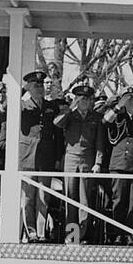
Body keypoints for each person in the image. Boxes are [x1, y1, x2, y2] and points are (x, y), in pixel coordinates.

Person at [96, 86, 133, 245]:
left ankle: (130, 235)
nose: (131, 101)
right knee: (119, 201)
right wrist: (118, 106)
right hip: (118, 165)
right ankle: (117, 234)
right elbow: (104, 121)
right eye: (128, 98)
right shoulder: (117, 117)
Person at [53, 81, 101, 243]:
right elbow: (57, 123)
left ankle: (83, 234)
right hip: (70, 158)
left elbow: (100, 142)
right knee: (70, 197)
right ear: (76, 100)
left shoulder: (96, 117)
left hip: (87, 159)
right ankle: (71, 236)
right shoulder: (70, 115)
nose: (85, 102)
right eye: (81, 99)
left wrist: (98, 162)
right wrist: (70, 108)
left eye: (87, 99)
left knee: (85, 199)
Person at [18, 69, 62, 242]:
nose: (39, 89)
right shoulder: (22, 105)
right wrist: (23, 90)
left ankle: (41, 232)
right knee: (27, 197)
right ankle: (30, 232)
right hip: (28, 156)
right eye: (35, 86)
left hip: (46, 158)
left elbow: (58, 134)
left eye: (41, 85)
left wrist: (57, 157)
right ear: (29, 87)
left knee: (44, 197)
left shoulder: (51, 107)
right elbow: (7, 108)